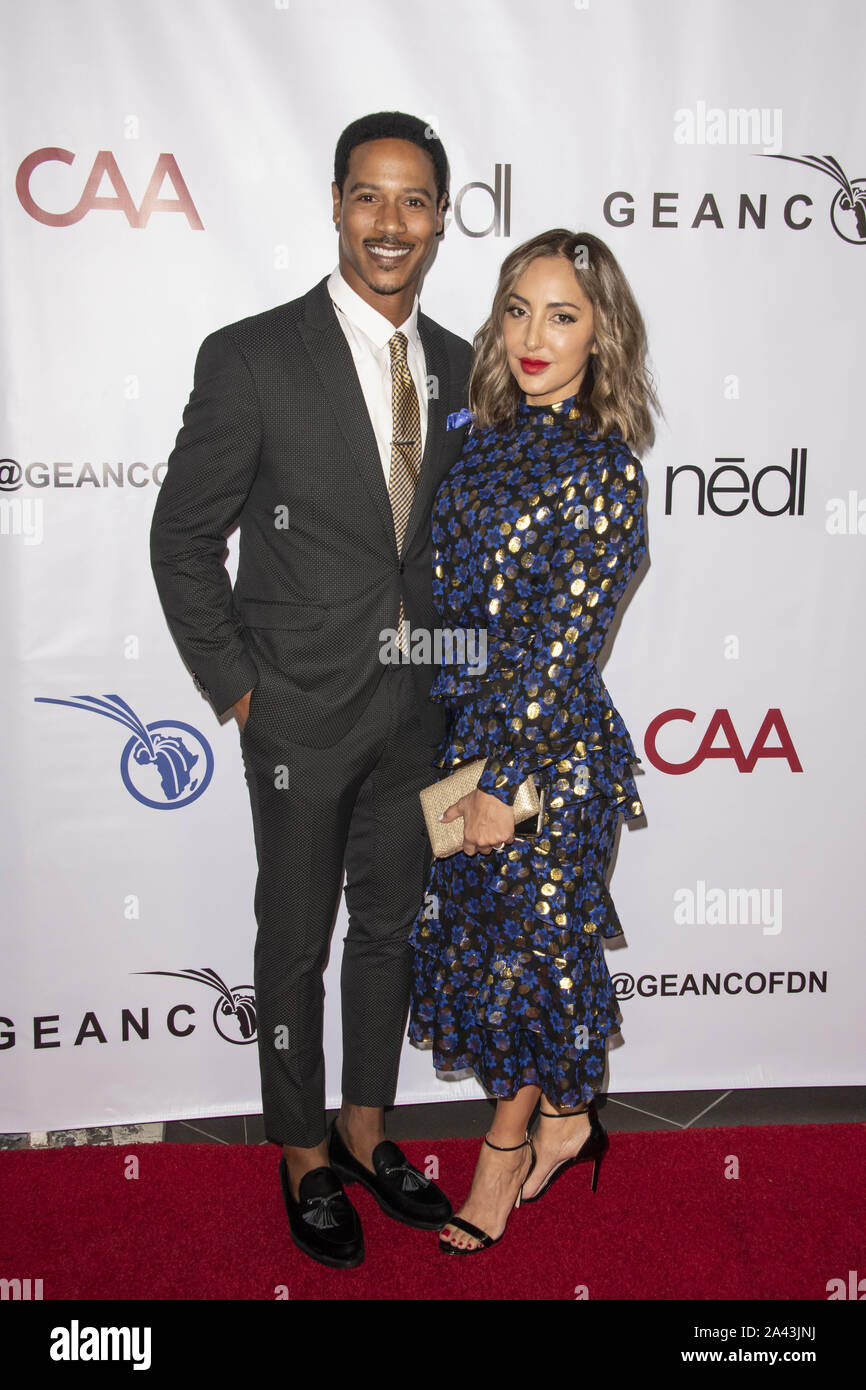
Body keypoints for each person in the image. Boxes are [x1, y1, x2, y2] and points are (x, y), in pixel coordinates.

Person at [150, 111, 473, 1269]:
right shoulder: (249, 357)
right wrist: (242, 692)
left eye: (414, 201)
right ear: (335, 205)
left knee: (387, 931)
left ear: (441, 217)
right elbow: (182, 541)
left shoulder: (459, 363)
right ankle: (298, 1153)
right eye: (368, 197)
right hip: (295, 712)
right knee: (293, 942)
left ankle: (366, 1130)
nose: (391, 223)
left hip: (416, 714)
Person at [408, 228, 658, 1254]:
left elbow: (560, 647)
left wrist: (498, 784)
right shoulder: (478, 439)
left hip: (545, 760)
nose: (533, 335)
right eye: (517, 309)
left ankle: (508, 1148)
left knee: (528, 960)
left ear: (601, 335)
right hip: (464, 739)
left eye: (562, 314)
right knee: (479, 959)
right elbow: (447, 604)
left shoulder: (605, 472)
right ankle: (561, 1118)